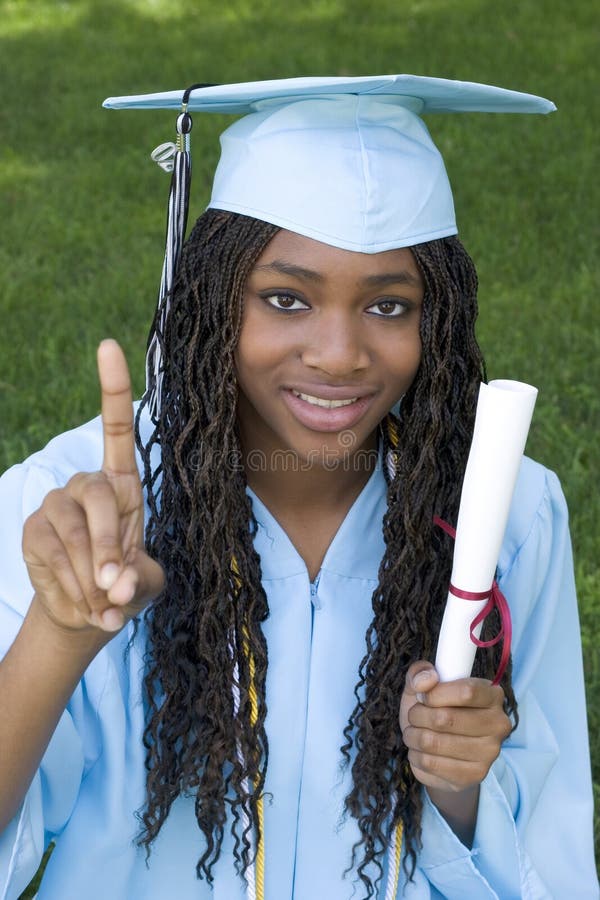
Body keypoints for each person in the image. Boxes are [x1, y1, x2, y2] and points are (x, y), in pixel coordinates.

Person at [0, 75, 597, 900]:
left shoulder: (507, 515)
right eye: (286, 298)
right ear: (213, 299)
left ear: (439, 318)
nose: (338, 354)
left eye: (389, 306)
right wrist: (59, 633)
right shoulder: (73, 511)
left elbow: (549, 850)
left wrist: (458, 786)